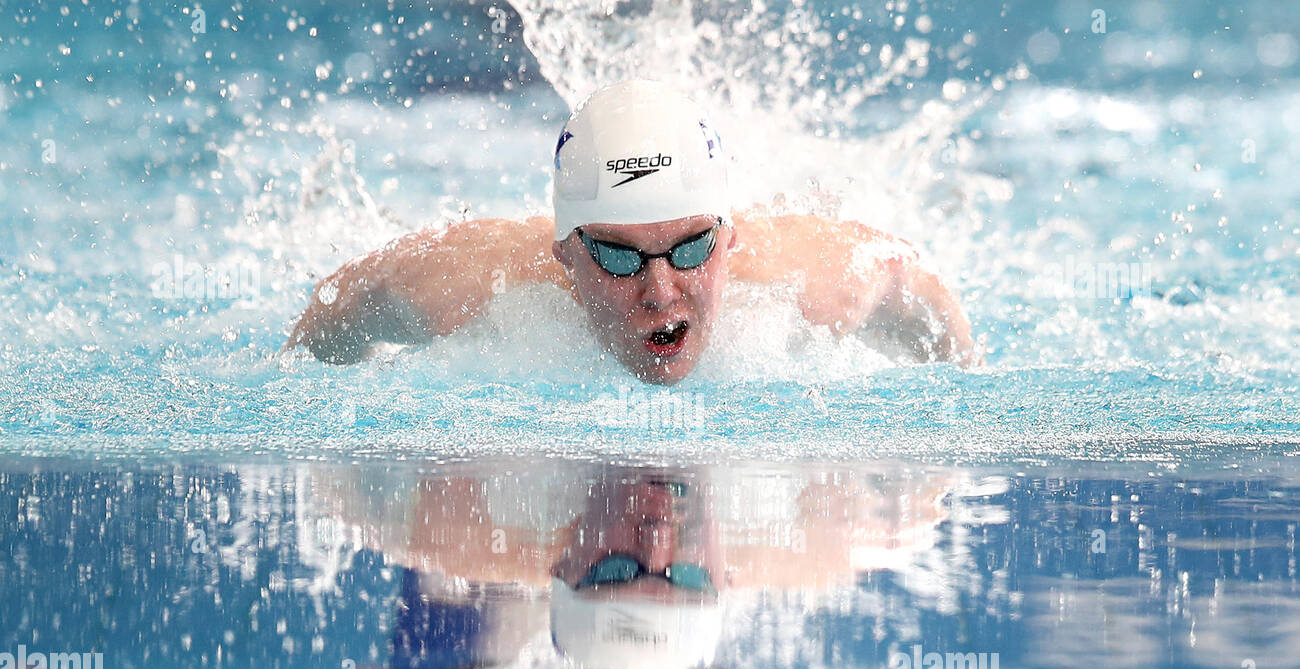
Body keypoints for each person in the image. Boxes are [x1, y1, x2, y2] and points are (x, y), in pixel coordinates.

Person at [285, 79, 975, 385]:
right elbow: (343, 298)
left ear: (728, 238)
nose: (661, 289)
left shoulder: (818, 284)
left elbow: (908, 277)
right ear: (566, 254)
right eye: (618, 255)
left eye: (694, 247)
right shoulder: (466, 289)